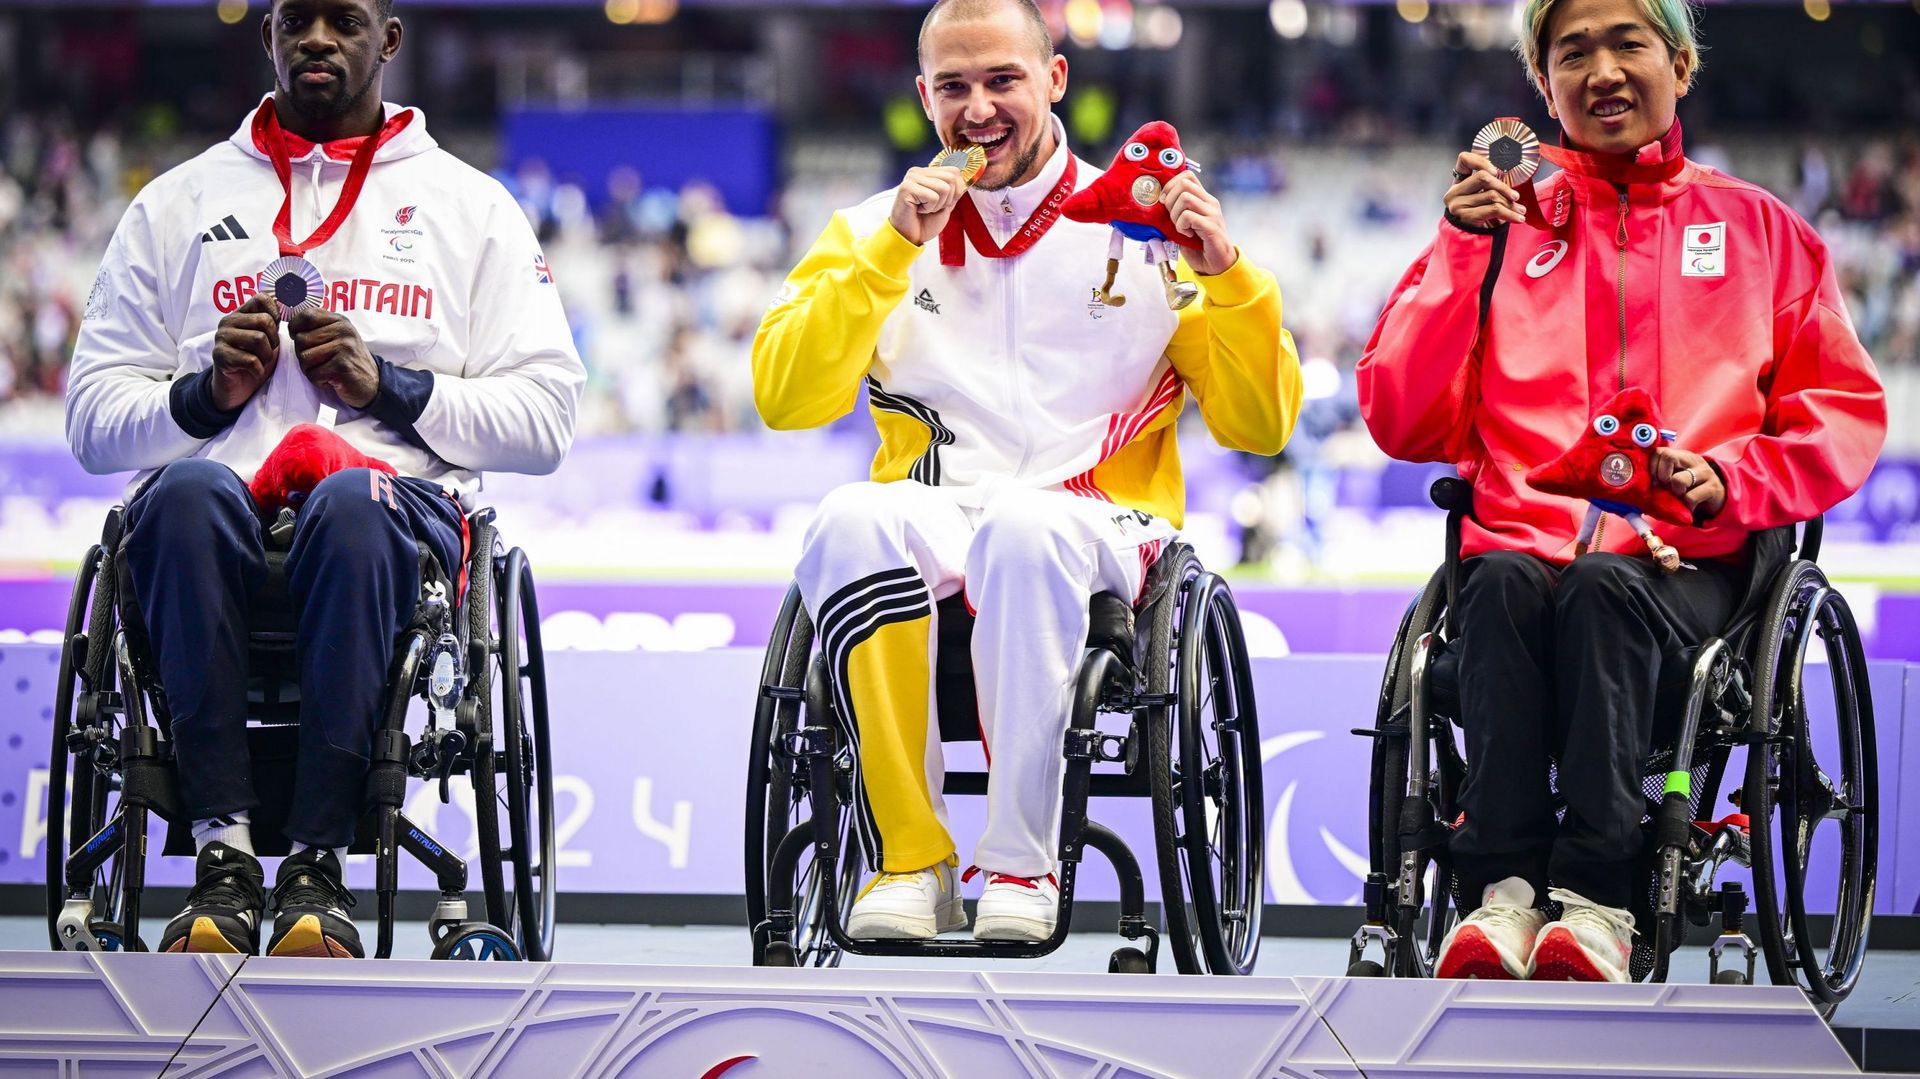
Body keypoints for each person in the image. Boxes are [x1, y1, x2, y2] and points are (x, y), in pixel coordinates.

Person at [1357, 0, 1885, 982]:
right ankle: (1500, 895)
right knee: (1508, 582)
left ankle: (1601, 900)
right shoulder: (1493, 229)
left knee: (1601, 588)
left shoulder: (1761, 231)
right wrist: (1460, 254)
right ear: (1543, 86)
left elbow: (1839, 410)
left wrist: (1730, 479)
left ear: (1680, 63)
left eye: (1627, 42)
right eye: (1573, 52)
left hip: (1691, 563)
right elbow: (1401, 417)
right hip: (1520, 554)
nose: (1601, 69)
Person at [752, 0, 1301, 943]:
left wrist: (1226, 275)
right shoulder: (865, 232)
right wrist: (892, 250)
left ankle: (1022, 860)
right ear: (923, 98)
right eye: (955, 87)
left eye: (1002, 80)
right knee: (850, 517)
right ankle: (910, 860)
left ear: (1053, 80)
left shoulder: (1147, 230)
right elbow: (786, 398)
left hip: (1098, 523)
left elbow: (1260, 423)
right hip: (936, 516)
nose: (979, 109)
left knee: (1026, 524)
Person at [65, 0, 584, 958]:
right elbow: (90, 420)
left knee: (353, 502)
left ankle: (314, 864)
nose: (316, 39)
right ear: (265, 35)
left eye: (343, 20)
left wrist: (394, 388)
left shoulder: (473, 208)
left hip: (392, 512)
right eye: (295, 19)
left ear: (388, 39)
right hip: (207, 516)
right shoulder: (174, 202)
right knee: (179, 491)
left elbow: (549, 418)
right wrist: (201, 398)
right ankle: (222, 855)